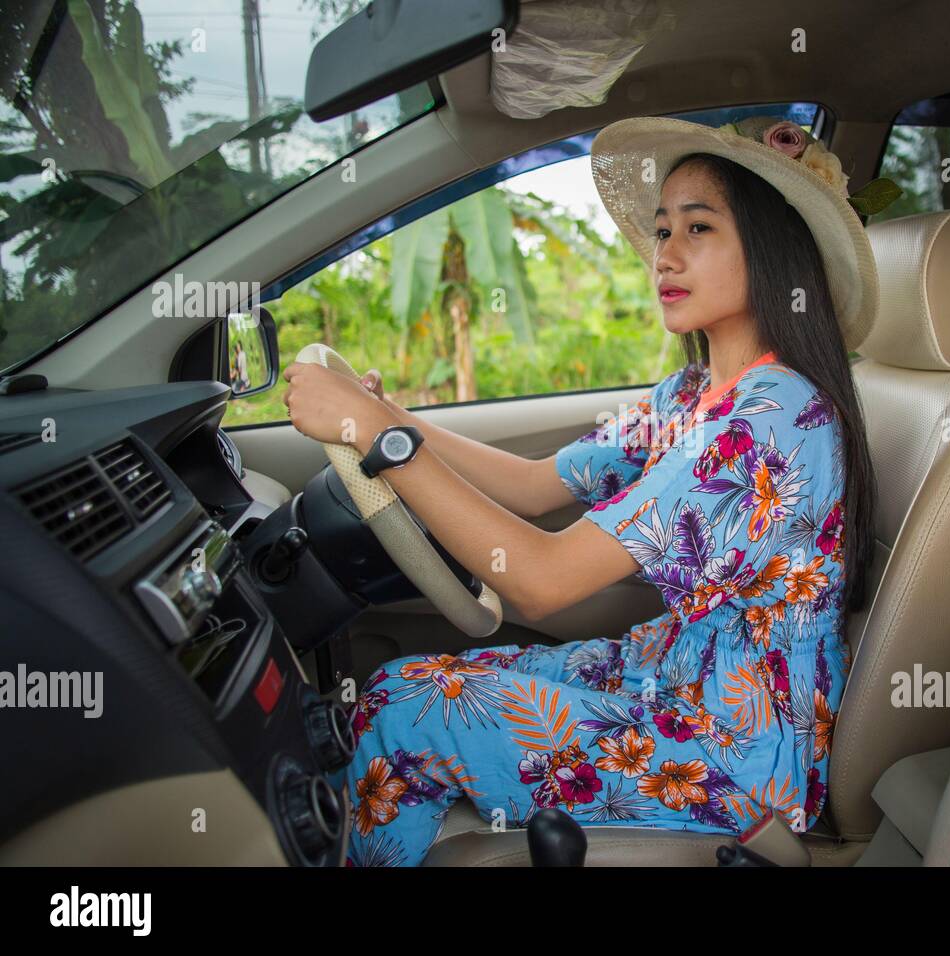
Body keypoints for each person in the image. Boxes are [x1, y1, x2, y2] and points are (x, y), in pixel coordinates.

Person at [280, 115, 879, 867]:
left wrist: (381, 442)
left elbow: (540, 582)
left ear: (771, 250)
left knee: (408, 710)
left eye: (699, 229)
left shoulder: (773, 418)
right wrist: (391, 418)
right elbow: (536, 487)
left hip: (735, 755)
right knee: (400, 683)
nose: (666, 253)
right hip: (665, 681)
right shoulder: (693, 393)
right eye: (662, 231)